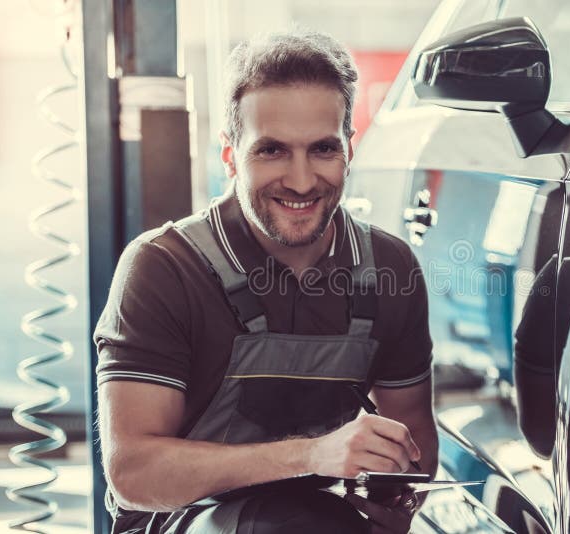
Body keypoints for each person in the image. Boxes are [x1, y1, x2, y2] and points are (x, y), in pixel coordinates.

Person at [94, 29, 438, 534]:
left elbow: (416, 441)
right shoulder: (163, 267)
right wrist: (313, 455)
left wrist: (395, 489)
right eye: (272, 151)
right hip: (182, 519)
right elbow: (133, 472)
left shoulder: (389, 267)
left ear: (349, 147)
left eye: (322, 149)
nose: (301, 181)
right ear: (230, 154)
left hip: (329, 517)